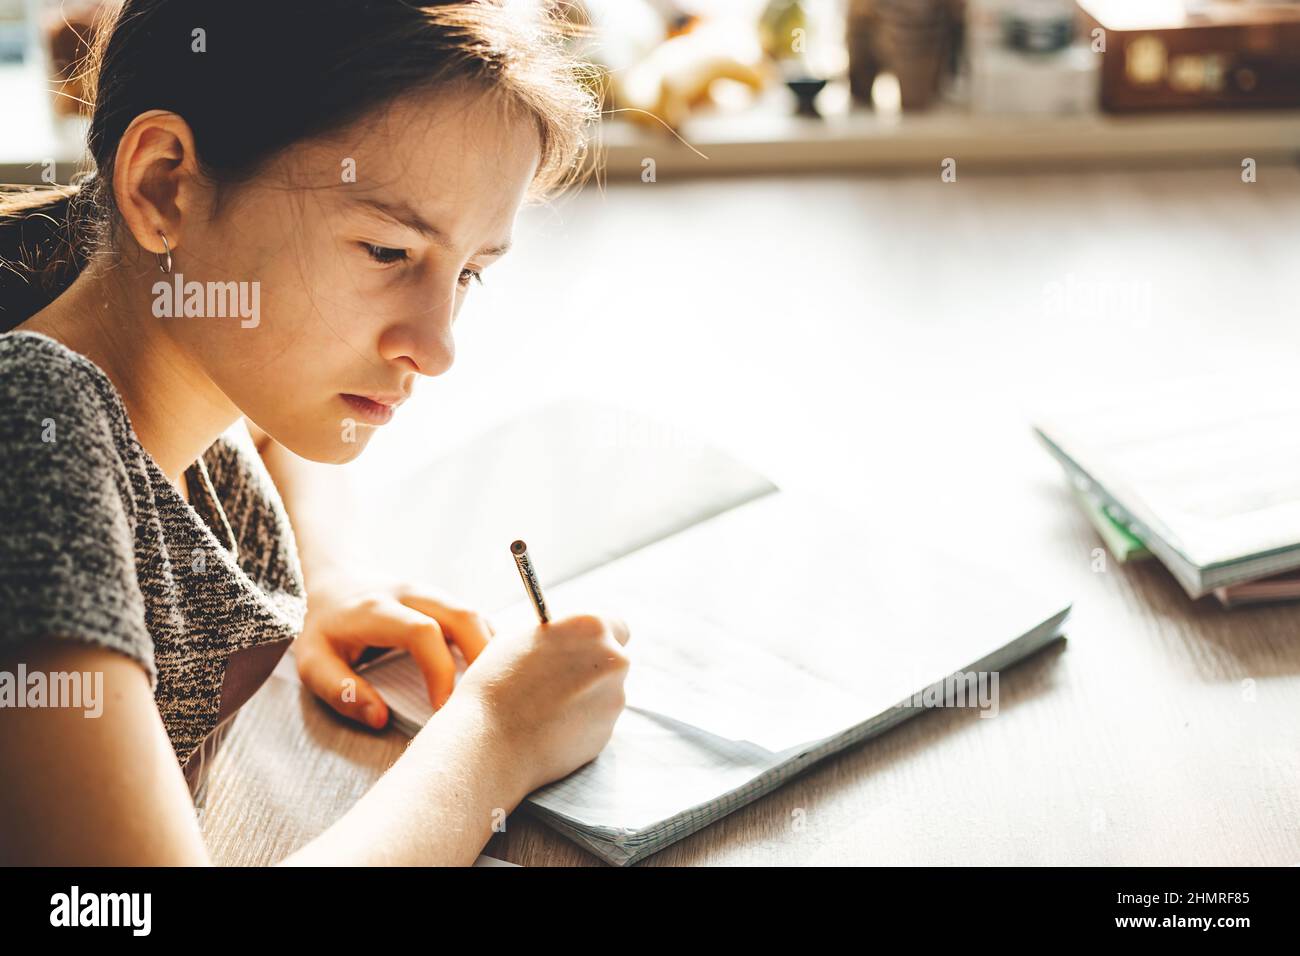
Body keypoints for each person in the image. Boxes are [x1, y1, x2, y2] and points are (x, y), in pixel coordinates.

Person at [0, 0, 631, 866]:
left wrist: (331, 575)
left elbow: (264, 436)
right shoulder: (32, 426)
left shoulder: (153, 348)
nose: (437, 348)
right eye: (386, 252)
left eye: (470, 274)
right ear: (163, 186)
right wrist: (496, 736)